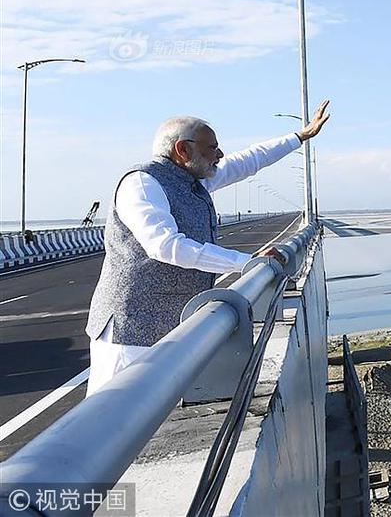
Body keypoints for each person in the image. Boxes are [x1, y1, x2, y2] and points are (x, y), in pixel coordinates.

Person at [84, 101, 331, 396]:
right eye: (212, 147)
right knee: (115, 416)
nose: (220, 154)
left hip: (172, 326)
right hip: (130, 329)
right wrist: (246, 263)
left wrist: (299, 137)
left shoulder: (192, 181)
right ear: (183, 150)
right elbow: (165, 246)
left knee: (156, 416)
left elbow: (248, 162)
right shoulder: (143, 183)